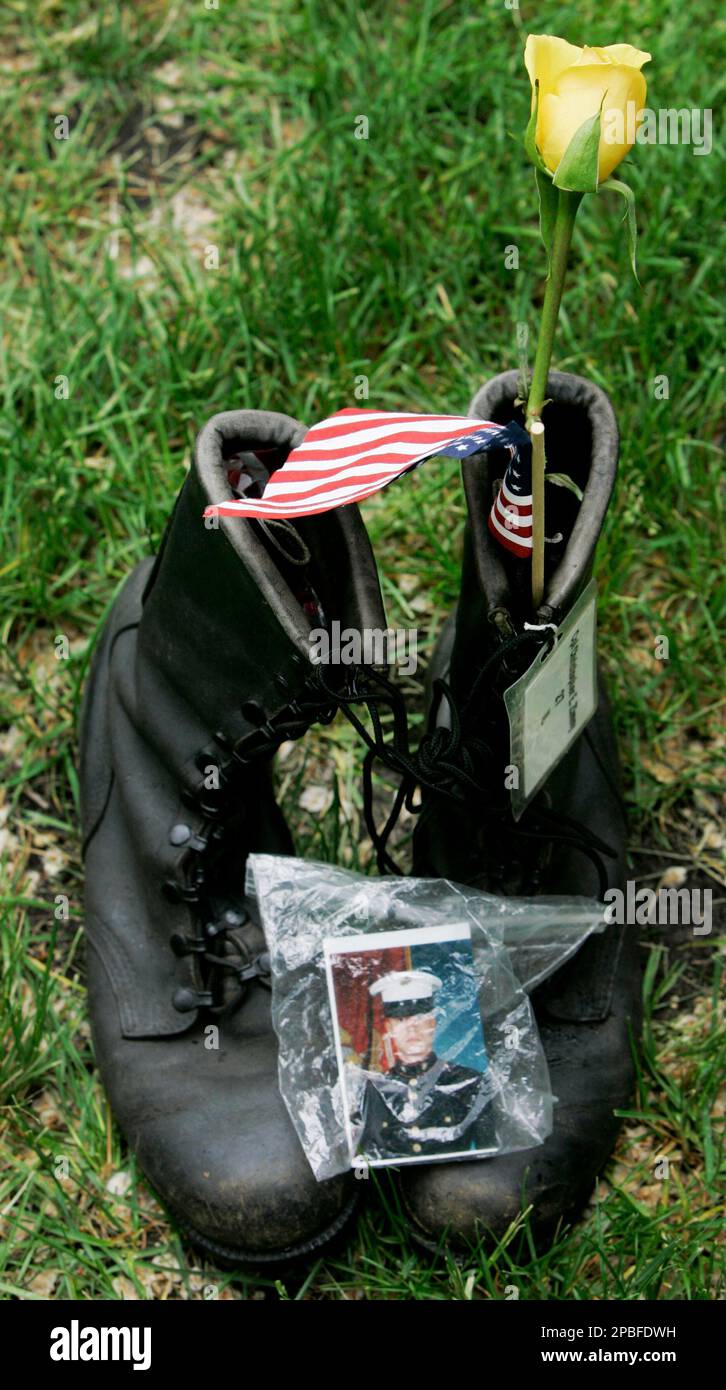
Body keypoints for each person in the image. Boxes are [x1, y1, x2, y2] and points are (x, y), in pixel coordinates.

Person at [352, 969, 496, 1161]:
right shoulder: (369, 1091)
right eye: (401, 1020)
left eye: (419, 1018)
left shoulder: (470, 1083)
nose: (412, 1028)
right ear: (389, 1028)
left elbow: (490, 1158)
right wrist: (364, 1188)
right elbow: (361, 1168)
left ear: (432, 1023)